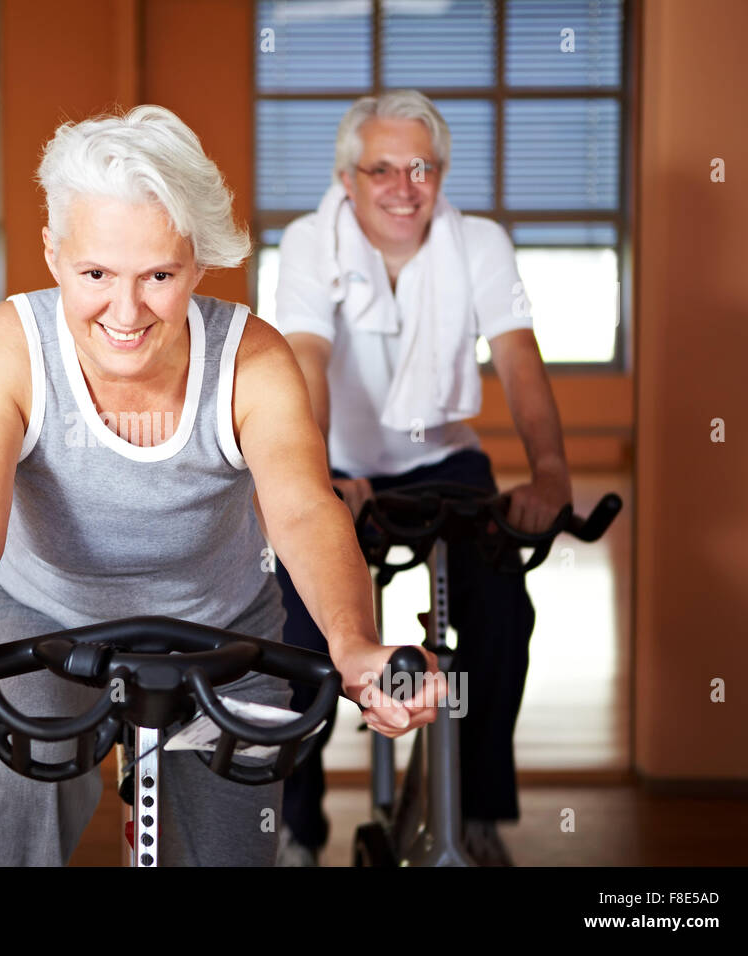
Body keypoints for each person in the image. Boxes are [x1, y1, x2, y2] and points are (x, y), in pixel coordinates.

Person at [0, 104, 444, 867]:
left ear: (198, 265)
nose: (126, 311)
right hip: (41, 620)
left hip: (218, 622)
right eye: (96, 274)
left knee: (230, 847)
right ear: (53, 255)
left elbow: (304, 509)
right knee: (20, 793)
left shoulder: (251, 357)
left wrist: (353, 643)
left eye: (160, 276)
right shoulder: (10, 344)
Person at [270, 90, 573, 867]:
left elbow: (517, 359)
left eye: (422, 168)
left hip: (443, 458)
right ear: (348, 179)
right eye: (382, 170)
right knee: (299, 631)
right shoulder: (310, 241)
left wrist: (550, 473)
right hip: (335, 456)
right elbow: (305, 361)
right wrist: (313, 478)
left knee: (502, 610)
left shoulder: (478, 242)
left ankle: (472, 811)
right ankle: (296, 829)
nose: (405, 188)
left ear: (439, 174)